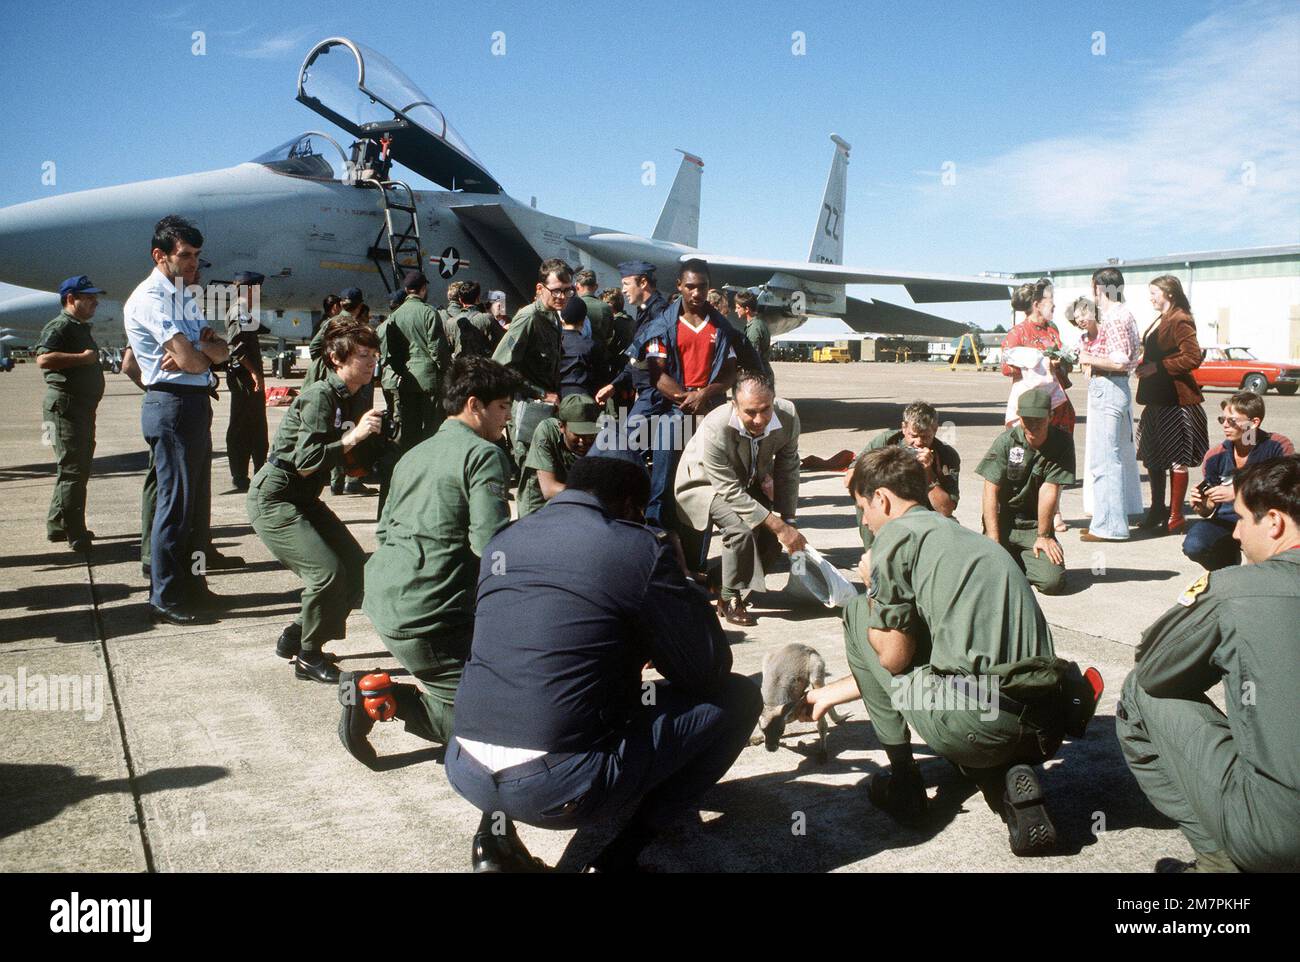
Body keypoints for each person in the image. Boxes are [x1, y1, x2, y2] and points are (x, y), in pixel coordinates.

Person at [445, 455, 762, 872]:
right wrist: (680, 584)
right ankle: (618, 858)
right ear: (631, 507)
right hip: (556, 790)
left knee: (529, 685)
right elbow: (708, 672)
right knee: (740, 698)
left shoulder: (505, 541)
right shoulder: (637, 548)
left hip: (465, 769)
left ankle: (492, 838)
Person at [804, 446, 1093, 855]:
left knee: (856, 614)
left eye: (862, 508)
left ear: (882, 499)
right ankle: (1005, 777)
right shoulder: (966, 538)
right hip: (1046, 724)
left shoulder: (892, 541)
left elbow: (892, 660)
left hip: (978, 723)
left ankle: (905, 783)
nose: (865, 519)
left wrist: (872, 590)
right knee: (973, 694)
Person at [1117, 455, 1300, 872]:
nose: (1235, 533)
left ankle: (1219, 862)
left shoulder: (1236, 589)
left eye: (1240, 518)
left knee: (1139, 691)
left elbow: (1155, 668)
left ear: (1273, 522)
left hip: (1278, 839)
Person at [352, 357, 516, 765]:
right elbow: (491, 546)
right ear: (474, 404)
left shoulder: (414, 453)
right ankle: (386, 700)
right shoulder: (483, 455)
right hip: (430, 617)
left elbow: (386, 530)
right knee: (505, 728)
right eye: (502, 407)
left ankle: (393, 695)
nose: (508, 418)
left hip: (385, 597)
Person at [247, 319, 385, 684]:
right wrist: (352, 438)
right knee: (326, 574)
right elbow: (307, 463)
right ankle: (309, 656)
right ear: (337, 359)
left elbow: (346, 461)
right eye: (362, 355)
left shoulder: (351, 395)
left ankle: (295, 634)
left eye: (374, 355)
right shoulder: (320, 396)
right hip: (276, 497)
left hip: (302, 497)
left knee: (356, 567)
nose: (371, 362)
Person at [124, 215, 230, 625]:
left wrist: (202, 356)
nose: (193, 265)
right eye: (185, 256)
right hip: (171, 404)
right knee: (175, 506)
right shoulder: (150, 298)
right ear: (160, 255)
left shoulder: (182, 296)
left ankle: (196, 585)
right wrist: (200, 356)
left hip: (194, 402)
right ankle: (165, 595)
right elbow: (191, 357)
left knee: (197, 507)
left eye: (197, 256)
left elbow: (220, 349)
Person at [674, 372, 804, 626]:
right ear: (734, 405)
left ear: (774, 400)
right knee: (741, 529)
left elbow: (788, 469)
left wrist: (788, 520)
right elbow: (728, 490)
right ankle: (729, 597)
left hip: (744, 481)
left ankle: (719, 579)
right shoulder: (716, 425)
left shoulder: (788, 415)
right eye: (750, 412)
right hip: (705, 484)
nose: (759, 419)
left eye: (765, 410)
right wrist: (778, 525)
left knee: (771, 541)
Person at [624, 258, 741, 531]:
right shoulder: (664, 326)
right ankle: (656, 533)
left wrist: (705, 395)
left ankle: (697, 554)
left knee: (710, 481)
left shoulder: (721, 328)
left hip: (710, 410)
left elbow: (730, 372)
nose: (696, 293)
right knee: (663, 479)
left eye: (702, 287)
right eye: (690, 287)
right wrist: (687, 400)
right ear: (679, 286)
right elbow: (657, 374)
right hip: (675, 411)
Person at [975, 388, 1075, 595]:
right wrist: (993, 538)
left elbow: (1050, 489)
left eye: (1038, 420)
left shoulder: (1062, 442)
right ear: (1019, 417)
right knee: (989, 582)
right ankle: (1012, 562)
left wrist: (1044, 535)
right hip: (1004, 523)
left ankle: (1017, 564)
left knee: (1052, 583)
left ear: (1051, 416)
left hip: (1033, 524)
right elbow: (990, 490)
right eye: (1026, 419)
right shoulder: (1006, 441)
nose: (1032, 426)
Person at [36, 275, 107, 552]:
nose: (95, 302)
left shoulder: (77, 326)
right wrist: (83, 359)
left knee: (73, 466)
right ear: (70, 299)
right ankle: (74, 531)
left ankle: (57, 523)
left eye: (94, 297)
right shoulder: (61, 325)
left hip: (79, 407)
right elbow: (44, 358)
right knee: (73, 470)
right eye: (88, 297)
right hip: (66, 406)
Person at [1071, 269, 1143, 543]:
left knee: (1105, 460)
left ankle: (1110, 526)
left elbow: (1120, 360)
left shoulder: (1114, 317)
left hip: (1109, 385)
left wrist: (1086, 356)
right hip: (1116, 386)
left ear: (1098, 288)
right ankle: (1106, 520)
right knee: (1108, 457)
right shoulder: (1126, 315)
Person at [1136, 274, 1208, 536]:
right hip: (1157, 399)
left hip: (1176, 402)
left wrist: (1158, 367)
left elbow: (1192, 357)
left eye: (1154, 292)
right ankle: (1158, 509)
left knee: (1177, 458)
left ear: (1169, 293)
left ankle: (1176, 516)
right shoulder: (1161, 318)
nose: (1151, 297)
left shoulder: (1180, 319)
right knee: (1153, 457)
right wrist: (1145, 364)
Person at [1183, 391, 1287, 570]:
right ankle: (1228, 568)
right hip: (1228, 520)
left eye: (1232, 421)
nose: (1225, 425)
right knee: (1195, 544)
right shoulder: (1216, 456)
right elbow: (1209, 510)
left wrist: (1238, 491)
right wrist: (1202, 505)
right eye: (1222, 419)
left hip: (1265, 519)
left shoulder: (1276, 447)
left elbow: (1287, 490)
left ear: (1254, 423)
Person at [1001, 278, 1074, 532]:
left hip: (1056, 402)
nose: (1053, 306)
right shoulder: (1017, 333)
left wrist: (1061, 364)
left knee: (1056, 456)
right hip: (1032, 405)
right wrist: (1036, 362)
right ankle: (1026, 508)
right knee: (1026, 456)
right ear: (1036, 304)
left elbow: (1065, 362)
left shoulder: (1053, 329)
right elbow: (1005, 367)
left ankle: (1054, 510)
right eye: (1049, 302)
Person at [492, 258, 570, 471]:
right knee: (532, 474)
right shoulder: (529, 317)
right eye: (556, 291)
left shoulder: (553, 317)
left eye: (567, 291)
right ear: (540, 288)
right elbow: (500, 366)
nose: (562, 297)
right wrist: (540, 393)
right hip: (526, 409)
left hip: (546, 408)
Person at [849, 400, 959, 550]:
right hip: (886, 508)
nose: (919, 443)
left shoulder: (946, 455)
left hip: (923, 514)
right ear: (903, 428)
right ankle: (875, 555)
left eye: (926, 437)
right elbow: (850, 477)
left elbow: (946, 509)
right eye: (913, 435)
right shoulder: (886, 442)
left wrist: (928, 472)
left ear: (935, 429)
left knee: (951, 527)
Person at [388, 270, 452, 453]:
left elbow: (393, 352)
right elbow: (437, 349)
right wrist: (445, 371)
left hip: (407, 379)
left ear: (407, 289)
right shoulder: (429, 312)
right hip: (429, 379)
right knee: (432, 427)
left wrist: (402, 370)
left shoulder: (395, 316)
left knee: (410, 428)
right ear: (423, 289)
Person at [517, 393, 600, 518]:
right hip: (539, 499)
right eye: (577, 434)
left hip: (576, 494)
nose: (583, 441)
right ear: (561, 426)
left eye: (589, 435)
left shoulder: (603, 435)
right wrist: (593, 493)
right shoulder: (546, 431)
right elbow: (549, 489)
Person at [224, 271, 269, 492]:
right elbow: (238, 348)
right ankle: (240, 475)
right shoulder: (239, 311)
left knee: (255, 425)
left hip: (247, 377)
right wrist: (255, 374)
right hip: (244, 378)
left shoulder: (244, 311)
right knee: (244, 426)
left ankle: (257, 472)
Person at [558, 294, 606, 399]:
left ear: (562, 319)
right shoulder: (591, 345)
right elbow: (601, 376)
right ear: (584, 320)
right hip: (583, 401)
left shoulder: (554, 343)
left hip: (556, 398)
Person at [441, 279, 494, 359]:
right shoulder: (487, 318)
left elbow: (447, 348)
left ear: (460, 300)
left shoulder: (450, 323)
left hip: (461, 367)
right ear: (478, 298)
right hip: (482, 366)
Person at [734, 290, 773, 386]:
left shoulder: (754, 328)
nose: (736, 310)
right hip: (763, 372)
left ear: (746, 309)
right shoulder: (760, 323)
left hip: (757, 376)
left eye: (738, 308)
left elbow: (752, 356)